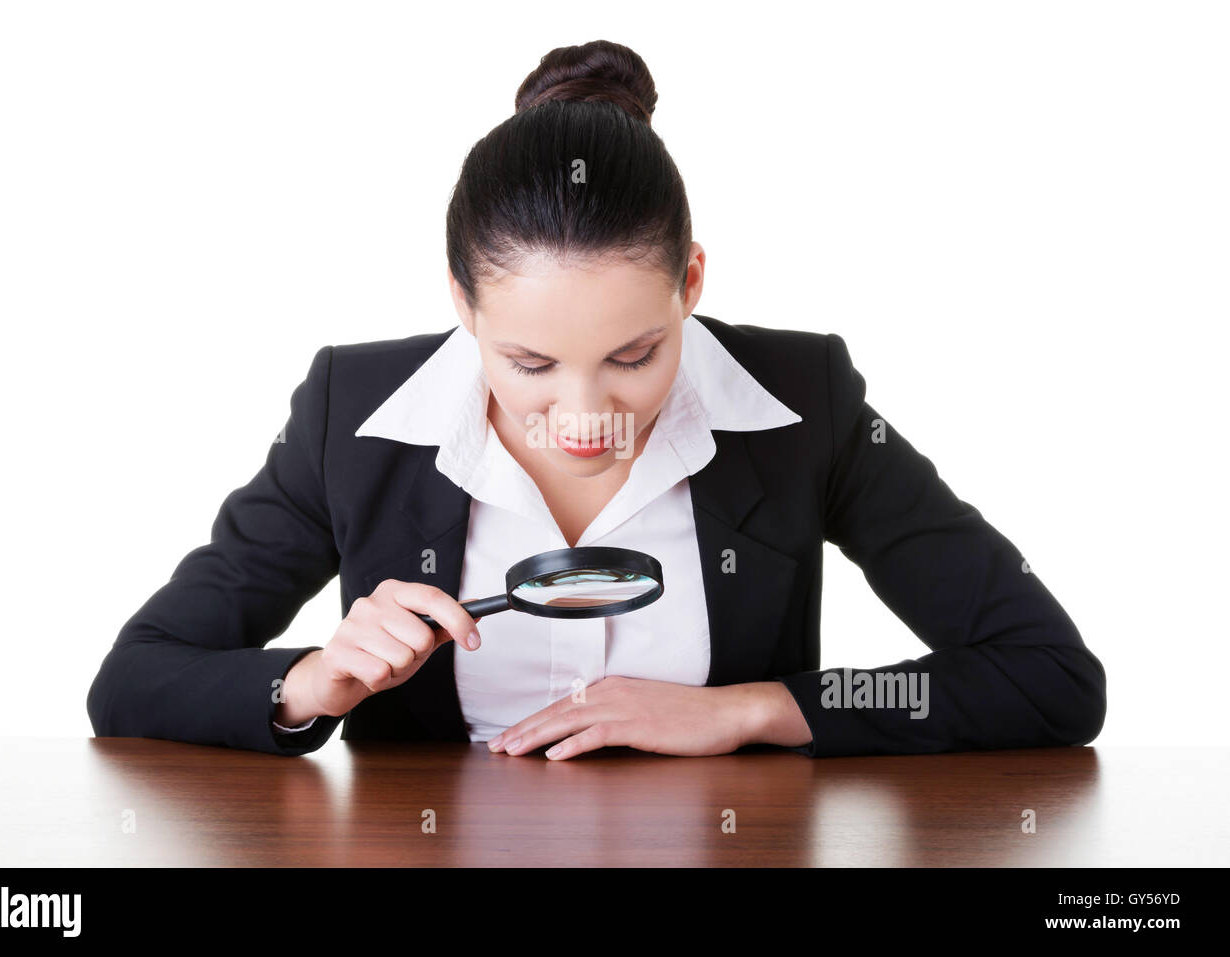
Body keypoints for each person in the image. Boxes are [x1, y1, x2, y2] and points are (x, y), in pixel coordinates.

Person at [87, 39, 1105, 760]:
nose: (586, 417)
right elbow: (132, 680)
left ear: (691, 282)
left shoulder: (805, 404)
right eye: (528, 364)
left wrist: (751, 711)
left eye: (635, 354)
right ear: (463, 306)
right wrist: (303, 684)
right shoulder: (351, 410)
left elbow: (1047, 677)